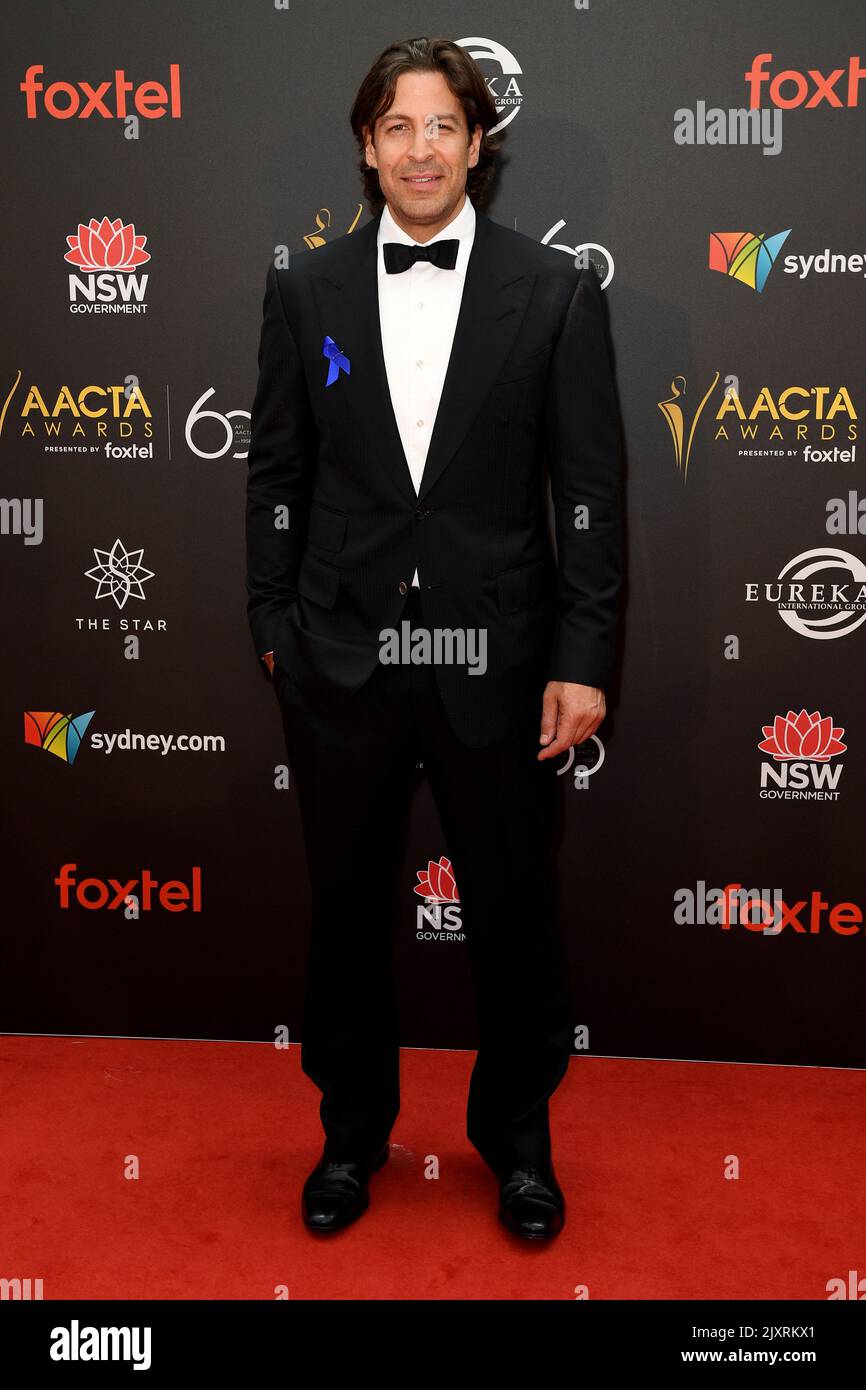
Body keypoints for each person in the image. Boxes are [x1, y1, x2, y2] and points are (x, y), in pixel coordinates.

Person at [245, 35, 623, 1240]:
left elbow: (591, 493)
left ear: (477, 143)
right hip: (341, 662)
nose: (420, 148)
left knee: (512, 911)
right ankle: (349, 1135)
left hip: (497, 664)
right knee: (345, 909)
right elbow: (276, 472)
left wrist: (581, 655)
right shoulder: (303, 290)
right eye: (397, 127)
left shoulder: (557, 291)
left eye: (442, 126)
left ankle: (517, 1141)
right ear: (367, 146)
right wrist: (272, 622)